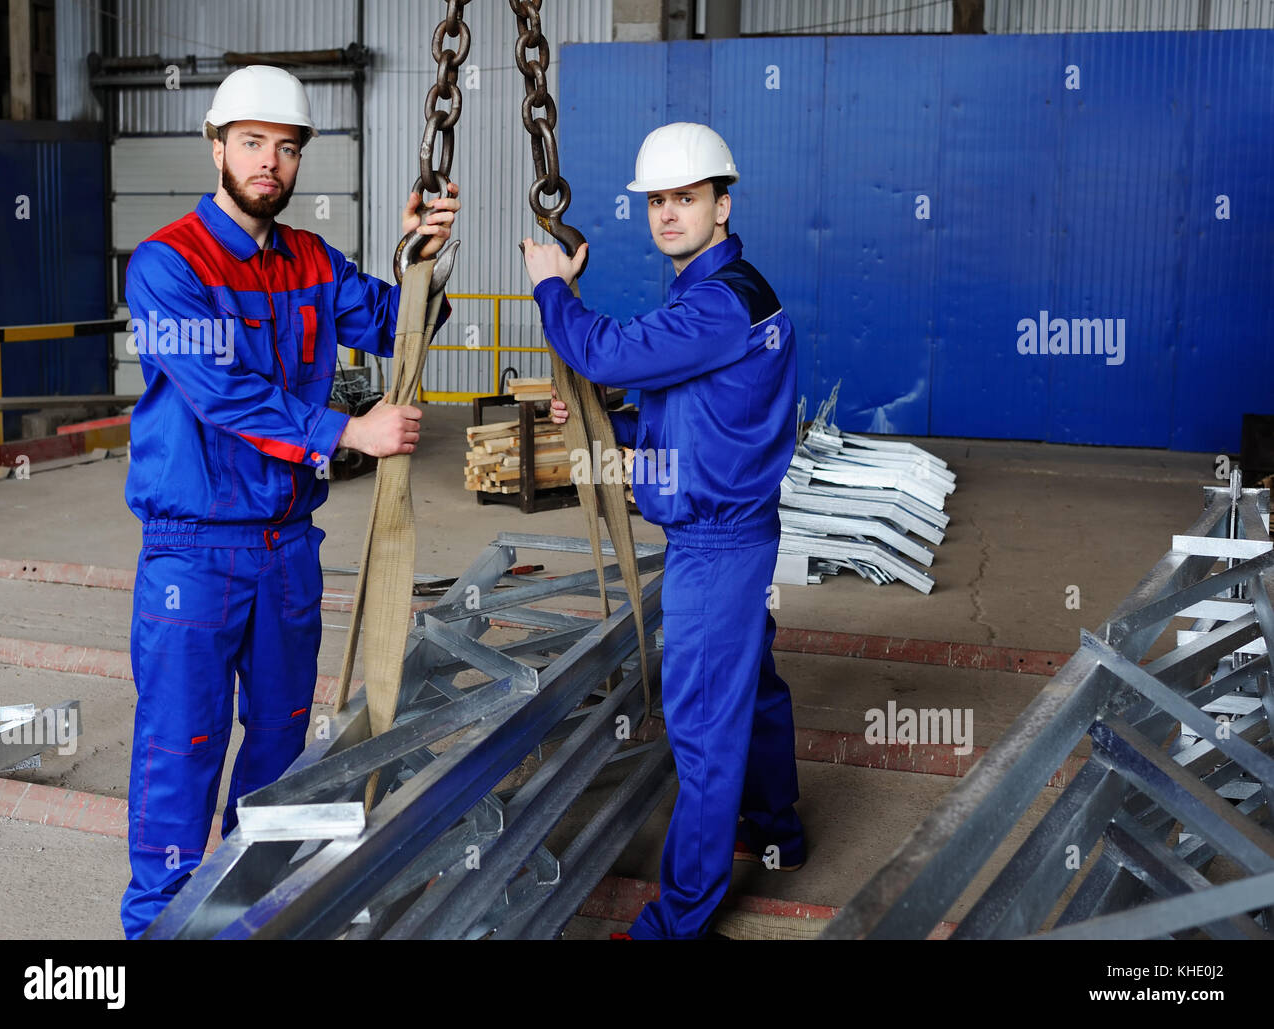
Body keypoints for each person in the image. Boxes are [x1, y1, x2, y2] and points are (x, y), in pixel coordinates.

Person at [119, 65, 459, 938]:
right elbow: (223, 394)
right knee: (180, 753)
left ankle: (243, 920)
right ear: (217, 144)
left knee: (277, 751)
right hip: (192, 552)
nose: (271, 162)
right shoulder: (166, 265)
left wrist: (425, 257)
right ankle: (155, 928)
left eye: (288, 147)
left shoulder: (310, 260)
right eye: (253, 143)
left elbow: (396, 324)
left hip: (286, 549)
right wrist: (351, 431)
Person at [523, 122, 804, 940]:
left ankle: (677, 922)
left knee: (703, 729)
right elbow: (697, 410)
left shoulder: (717, 303)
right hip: (736, 530)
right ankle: (777, 831)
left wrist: (553, 289)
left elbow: (604, 349)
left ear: (724, 203)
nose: (670, 213)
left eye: (688, 198)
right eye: (658, 201)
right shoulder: (730, 296)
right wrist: (602, 412)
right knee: (751, 690)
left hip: (716, 545)